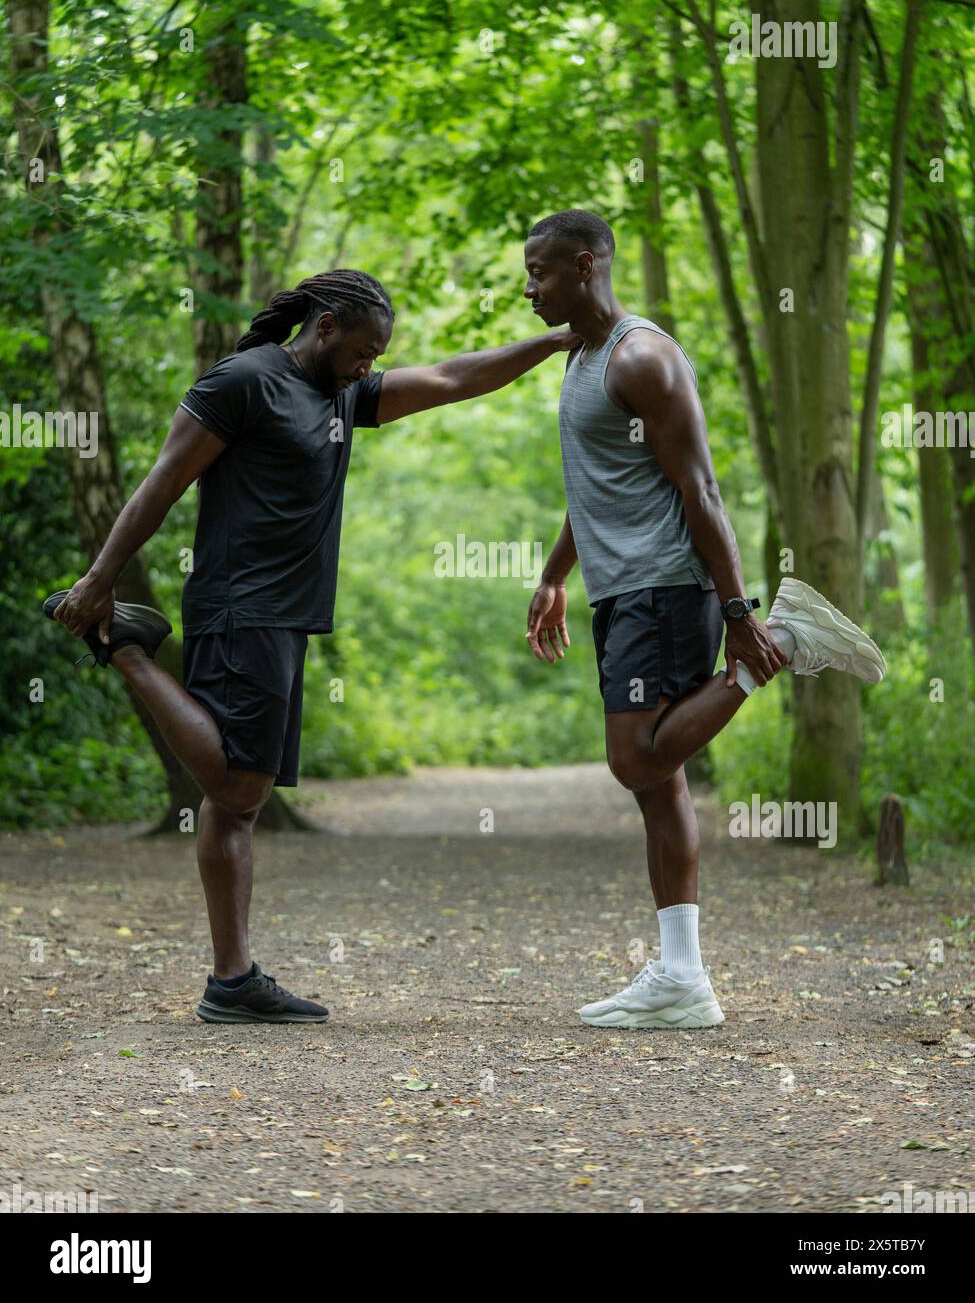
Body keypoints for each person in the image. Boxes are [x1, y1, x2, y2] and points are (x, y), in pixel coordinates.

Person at [45, 268, 580, 1024]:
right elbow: (163, 479)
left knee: (233, 808)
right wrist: (100, 581)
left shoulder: (343, 395)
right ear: (324, 327)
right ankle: (127, 649)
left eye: (377, 355)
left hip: (288, 618)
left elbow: (454, 378)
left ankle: (231, 982)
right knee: (238, 790)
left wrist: (556, 340)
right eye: (363, 349)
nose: (370, 365)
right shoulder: (244, 383)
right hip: (241, 606)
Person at [523, 210, 885, 1031]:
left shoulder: (642, 358)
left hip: (663, 585)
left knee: (635, 762)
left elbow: (701, 489)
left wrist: (738, 614)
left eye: (540, 272)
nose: (527, 288)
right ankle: (681, 979)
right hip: (621, 589)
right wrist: (553, 576)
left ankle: (783, 644)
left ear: (585, 266)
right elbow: (600, 487)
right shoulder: (580, 359)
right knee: (660, 783)